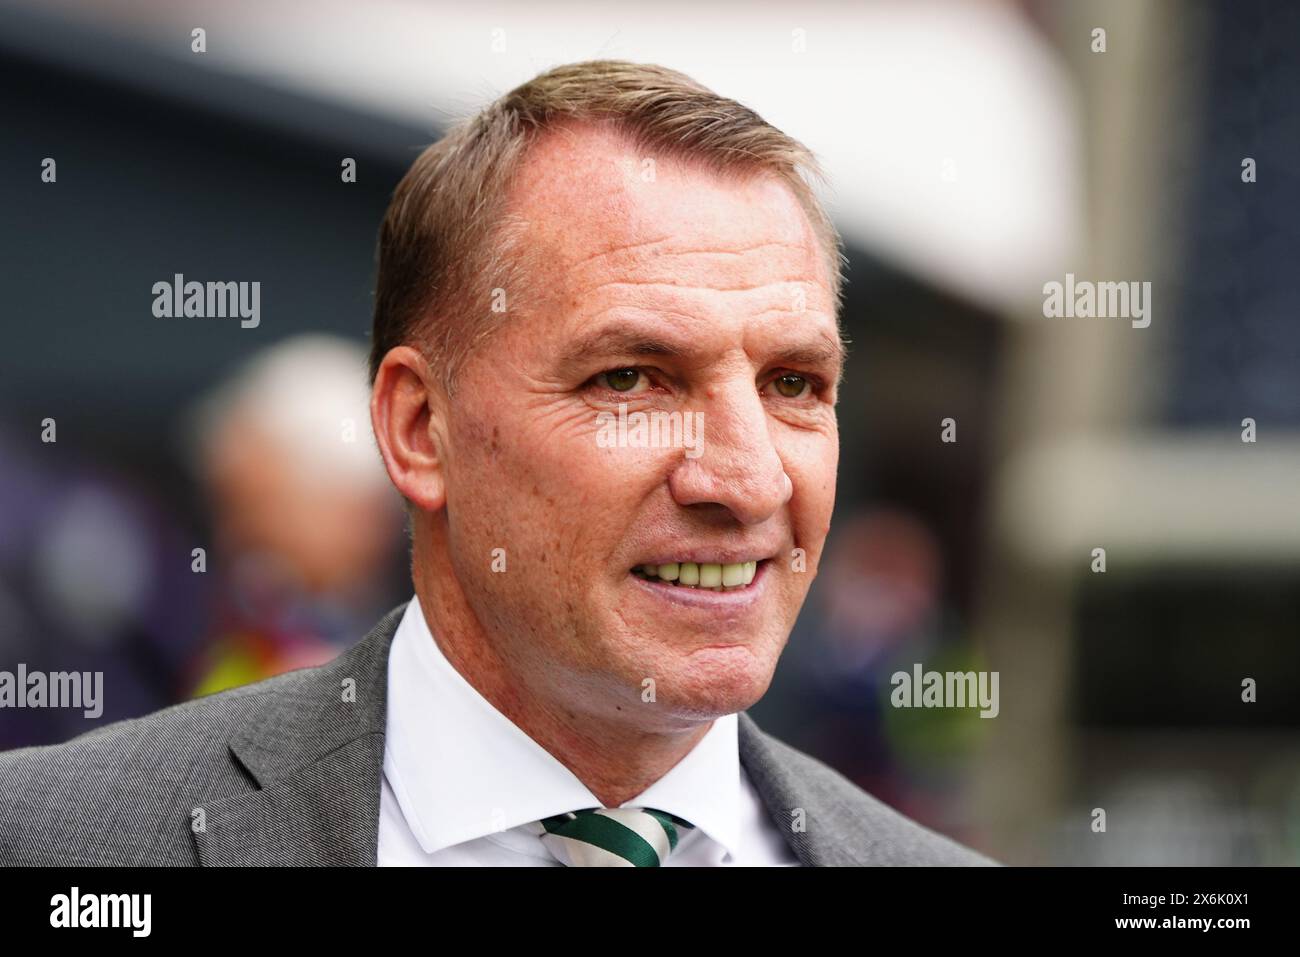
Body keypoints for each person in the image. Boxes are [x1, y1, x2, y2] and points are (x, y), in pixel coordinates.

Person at [0, 60, 993, 867]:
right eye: (632, 380)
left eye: (793, 386)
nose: (749, 482)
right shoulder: (56, 843)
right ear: (420, 428)